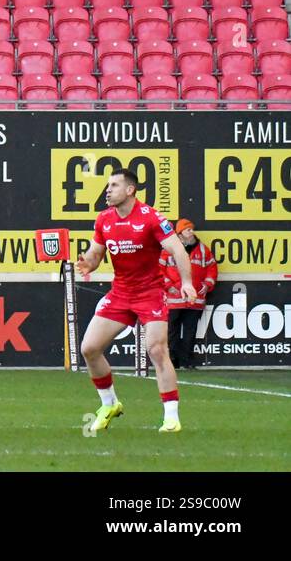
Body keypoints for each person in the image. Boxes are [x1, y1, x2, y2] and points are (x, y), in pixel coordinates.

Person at [77, 169, 195, 434]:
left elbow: (177, 249)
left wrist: (186, 283)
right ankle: (110, 404)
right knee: (89, 348)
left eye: (114, 185)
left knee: (156, 350)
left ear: (130, 190)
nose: (108, 190)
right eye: (108, 185)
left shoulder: (151, 218)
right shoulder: (104, 219)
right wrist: (88, 264)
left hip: (150, 293)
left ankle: (171, 418)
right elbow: (96, 254)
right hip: (120, 293)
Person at [162, 219, 217, 370]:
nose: (191, 232)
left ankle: (187, 361)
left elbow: (212, 268)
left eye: (192, 229)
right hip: (173, 299)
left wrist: (208, 285)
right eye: (188, 230)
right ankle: (172, 361)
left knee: (190, 331)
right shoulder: (169, 249)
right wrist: (167, 286)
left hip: (195, 299)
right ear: (179, 234)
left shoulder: (203, 250)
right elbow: (159, 269)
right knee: (171, 331)